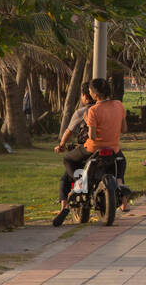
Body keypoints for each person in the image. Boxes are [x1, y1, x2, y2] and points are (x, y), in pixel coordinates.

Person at [53, 78, 128, 226]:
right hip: (113, 148)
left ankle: (79, 183)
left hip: (92, 148)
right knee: (121, 160)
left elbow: (92, 136)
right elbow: (124, 129)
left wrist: (88, 122)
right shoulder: (119, 105)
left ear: (94, 94)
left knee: (68, 159)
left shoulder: (93, 111)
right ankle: (120, 182)